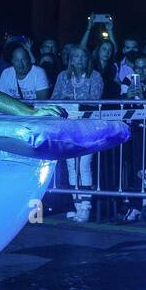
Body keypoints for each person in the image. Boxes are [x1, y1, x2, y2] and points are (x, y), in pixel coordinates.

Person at [52, 45, 105, 221]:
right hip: (68, 127)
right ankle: (77, 206)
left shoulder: (95, 76)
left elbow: (95, 100)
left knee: (83, 165)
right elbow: (53, 99)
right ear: (70, 60)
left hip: (88, 127)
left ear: (88, 59)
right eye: (75, 57)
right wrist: (64, 100)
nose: (79, 60)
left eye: (83, 56)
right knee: (71, 167)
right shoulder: (62, 76)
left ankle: (86, 207)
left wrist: (74, 100)